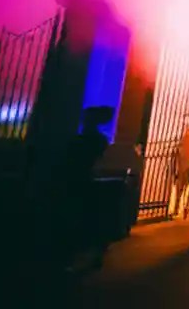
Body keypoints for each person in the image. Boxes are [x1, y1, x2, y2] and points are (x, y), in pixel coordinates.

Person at [64, 105, 114, 271]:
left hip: (78, 180)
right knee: (88, 218)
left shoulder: (83, 139)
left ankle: (78, 256)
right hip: (87, 179)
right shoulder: (100, 140)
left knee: (79, 217)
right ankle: (92, 254)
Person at [174, 125, 189, 217]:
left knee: (184, 189)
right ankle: (181, 207)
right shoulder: (186, 141)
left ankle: (185, 207)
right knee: (182, 189)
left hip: (188, 167)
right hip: (185, 168)